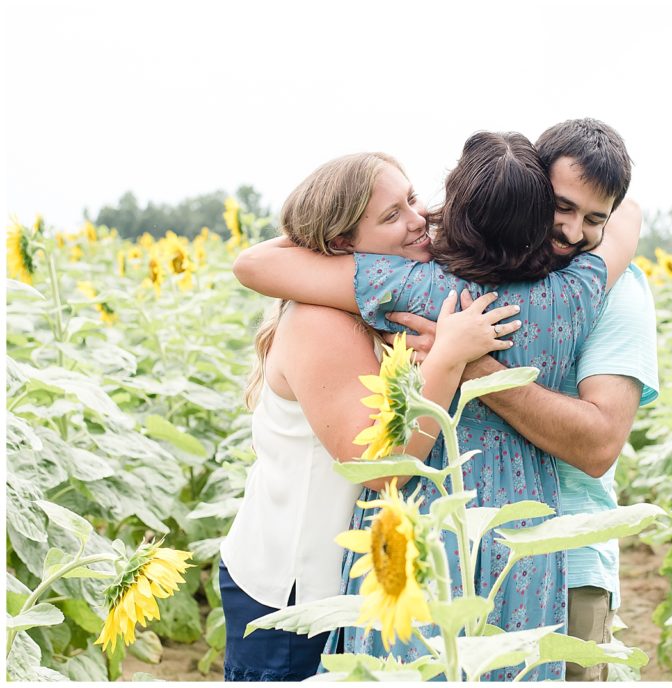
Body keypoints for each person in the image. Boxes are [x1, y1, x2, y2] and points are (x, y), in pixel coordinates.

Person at [232, 130, 642, 680]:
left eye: (417, 203)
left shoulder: (416, 288)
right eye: (559, 208)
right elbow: (629, 219)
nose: (420, 220)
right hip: (300, 577)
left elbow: (255, 264)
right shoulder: (578, 289)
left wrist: (457, 358)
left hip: (412, 534)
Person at [219, 152, 524, 681]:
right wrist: (452, 357)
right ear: (340, 245)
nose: (417, 219)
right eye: (391, 216)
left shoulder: (372, 300)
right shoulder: (321, 322)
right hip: (292, 591)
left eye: (411, 198)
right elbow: (378, 466)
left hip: (343, 582)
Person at [384, 118, 659, 681]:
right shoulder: (463, 265)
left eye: (594, 219)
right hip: (453, 553)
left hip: (567, 562)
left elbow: (600, 443)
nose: (574, 231)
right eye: (562, 206)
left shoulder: (617, 292)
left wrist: (466, 361)